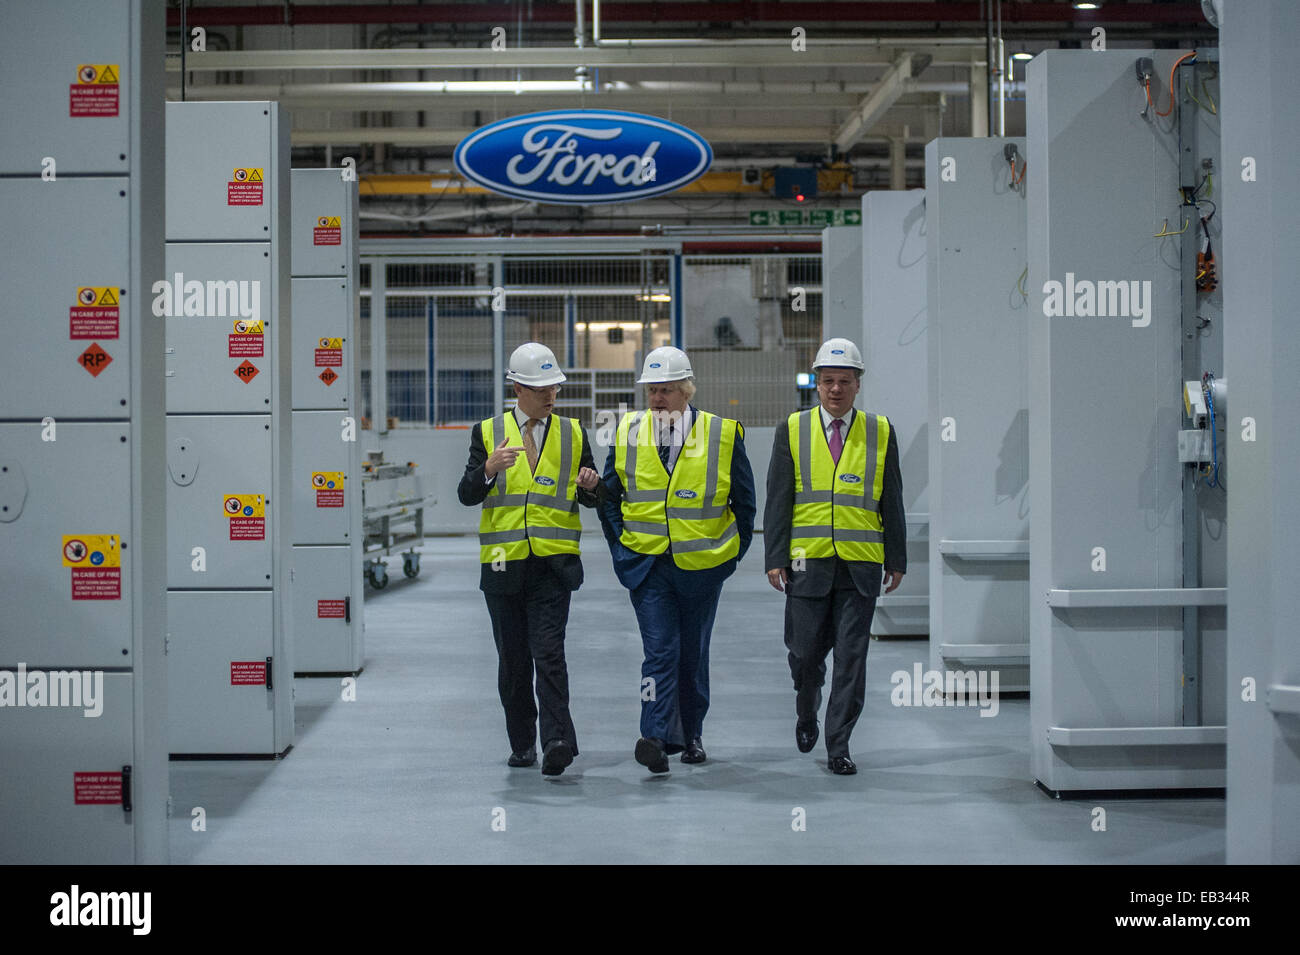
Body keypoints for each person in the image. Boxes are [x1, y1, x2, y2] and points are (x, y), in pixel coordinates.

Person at [599, 345, 756, 773]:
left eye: (666, 390)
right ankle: (652, 735)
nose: (656, 399)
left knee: (692, 654)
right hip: (647, 566)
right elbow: (610, 497)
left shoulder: (723, 434)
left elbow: (744, 504)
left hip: (703, 567)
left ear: (687, 390)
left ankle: (691, 735)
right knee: (659, 651)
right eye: (651, 390)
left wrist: (729, 557)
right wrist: (621, 547)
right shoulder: (628, 431)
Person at [457, 342, 601, 776]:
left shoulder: (574, 433)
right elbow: (466, 494)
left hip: (554, 566)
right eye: (540, 388)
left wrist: (593, 485)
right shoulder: (487, 433)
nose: (550, 395)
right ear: (517, 388)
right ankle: (522, 744)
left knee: (549, 653)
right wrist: (488, 470)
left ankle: (557, 740)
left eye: (554, 387)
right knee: (514, 661)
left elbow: (592, 495)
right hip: (503, 567)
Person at [764, 338, 907, 775]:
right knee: (805, 654)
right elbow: (779, 499)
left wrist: (897, 559)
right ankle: (806, 709)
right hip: (808, 562)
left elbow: (892, 499)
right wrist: (775, 556)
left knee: (852, 658)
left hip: (861, 563)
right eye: (828, 381)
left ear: (857, 385)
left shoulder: (880, 431)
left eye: (844, 381)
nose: (836, 390)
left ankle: (838, 744)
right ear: (817, 384)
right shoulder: (792, 428)